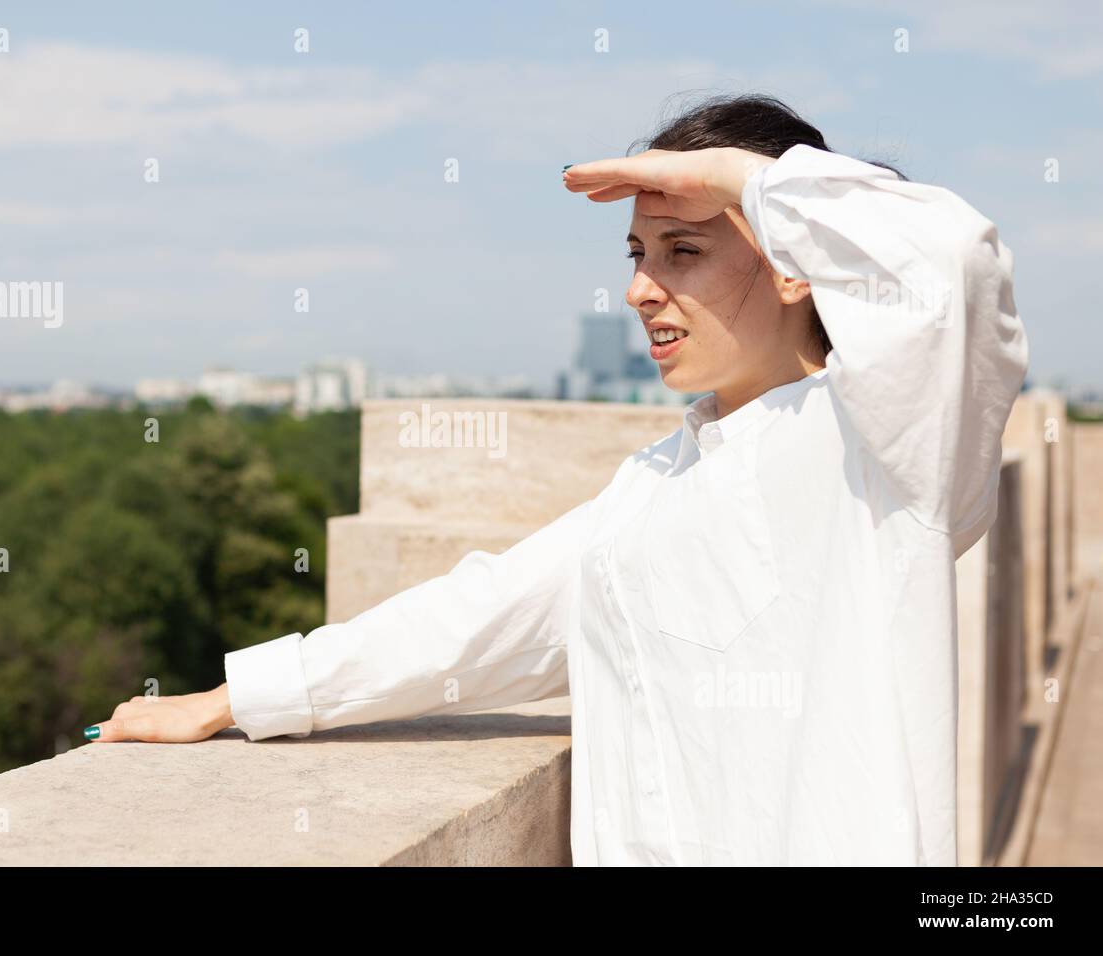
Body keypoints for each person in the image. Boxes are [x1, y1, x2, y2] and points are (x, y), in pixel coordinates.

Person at [84, 94, 1030, 865]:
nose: (639, 290)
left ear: (794, 266)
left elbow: (950, 263)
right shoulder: (655, 484)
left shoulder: (882, 448)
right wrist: (238, 699)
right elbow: (481, 618)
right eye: (638, 255)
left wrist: (745, 179)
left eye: (684, 250)